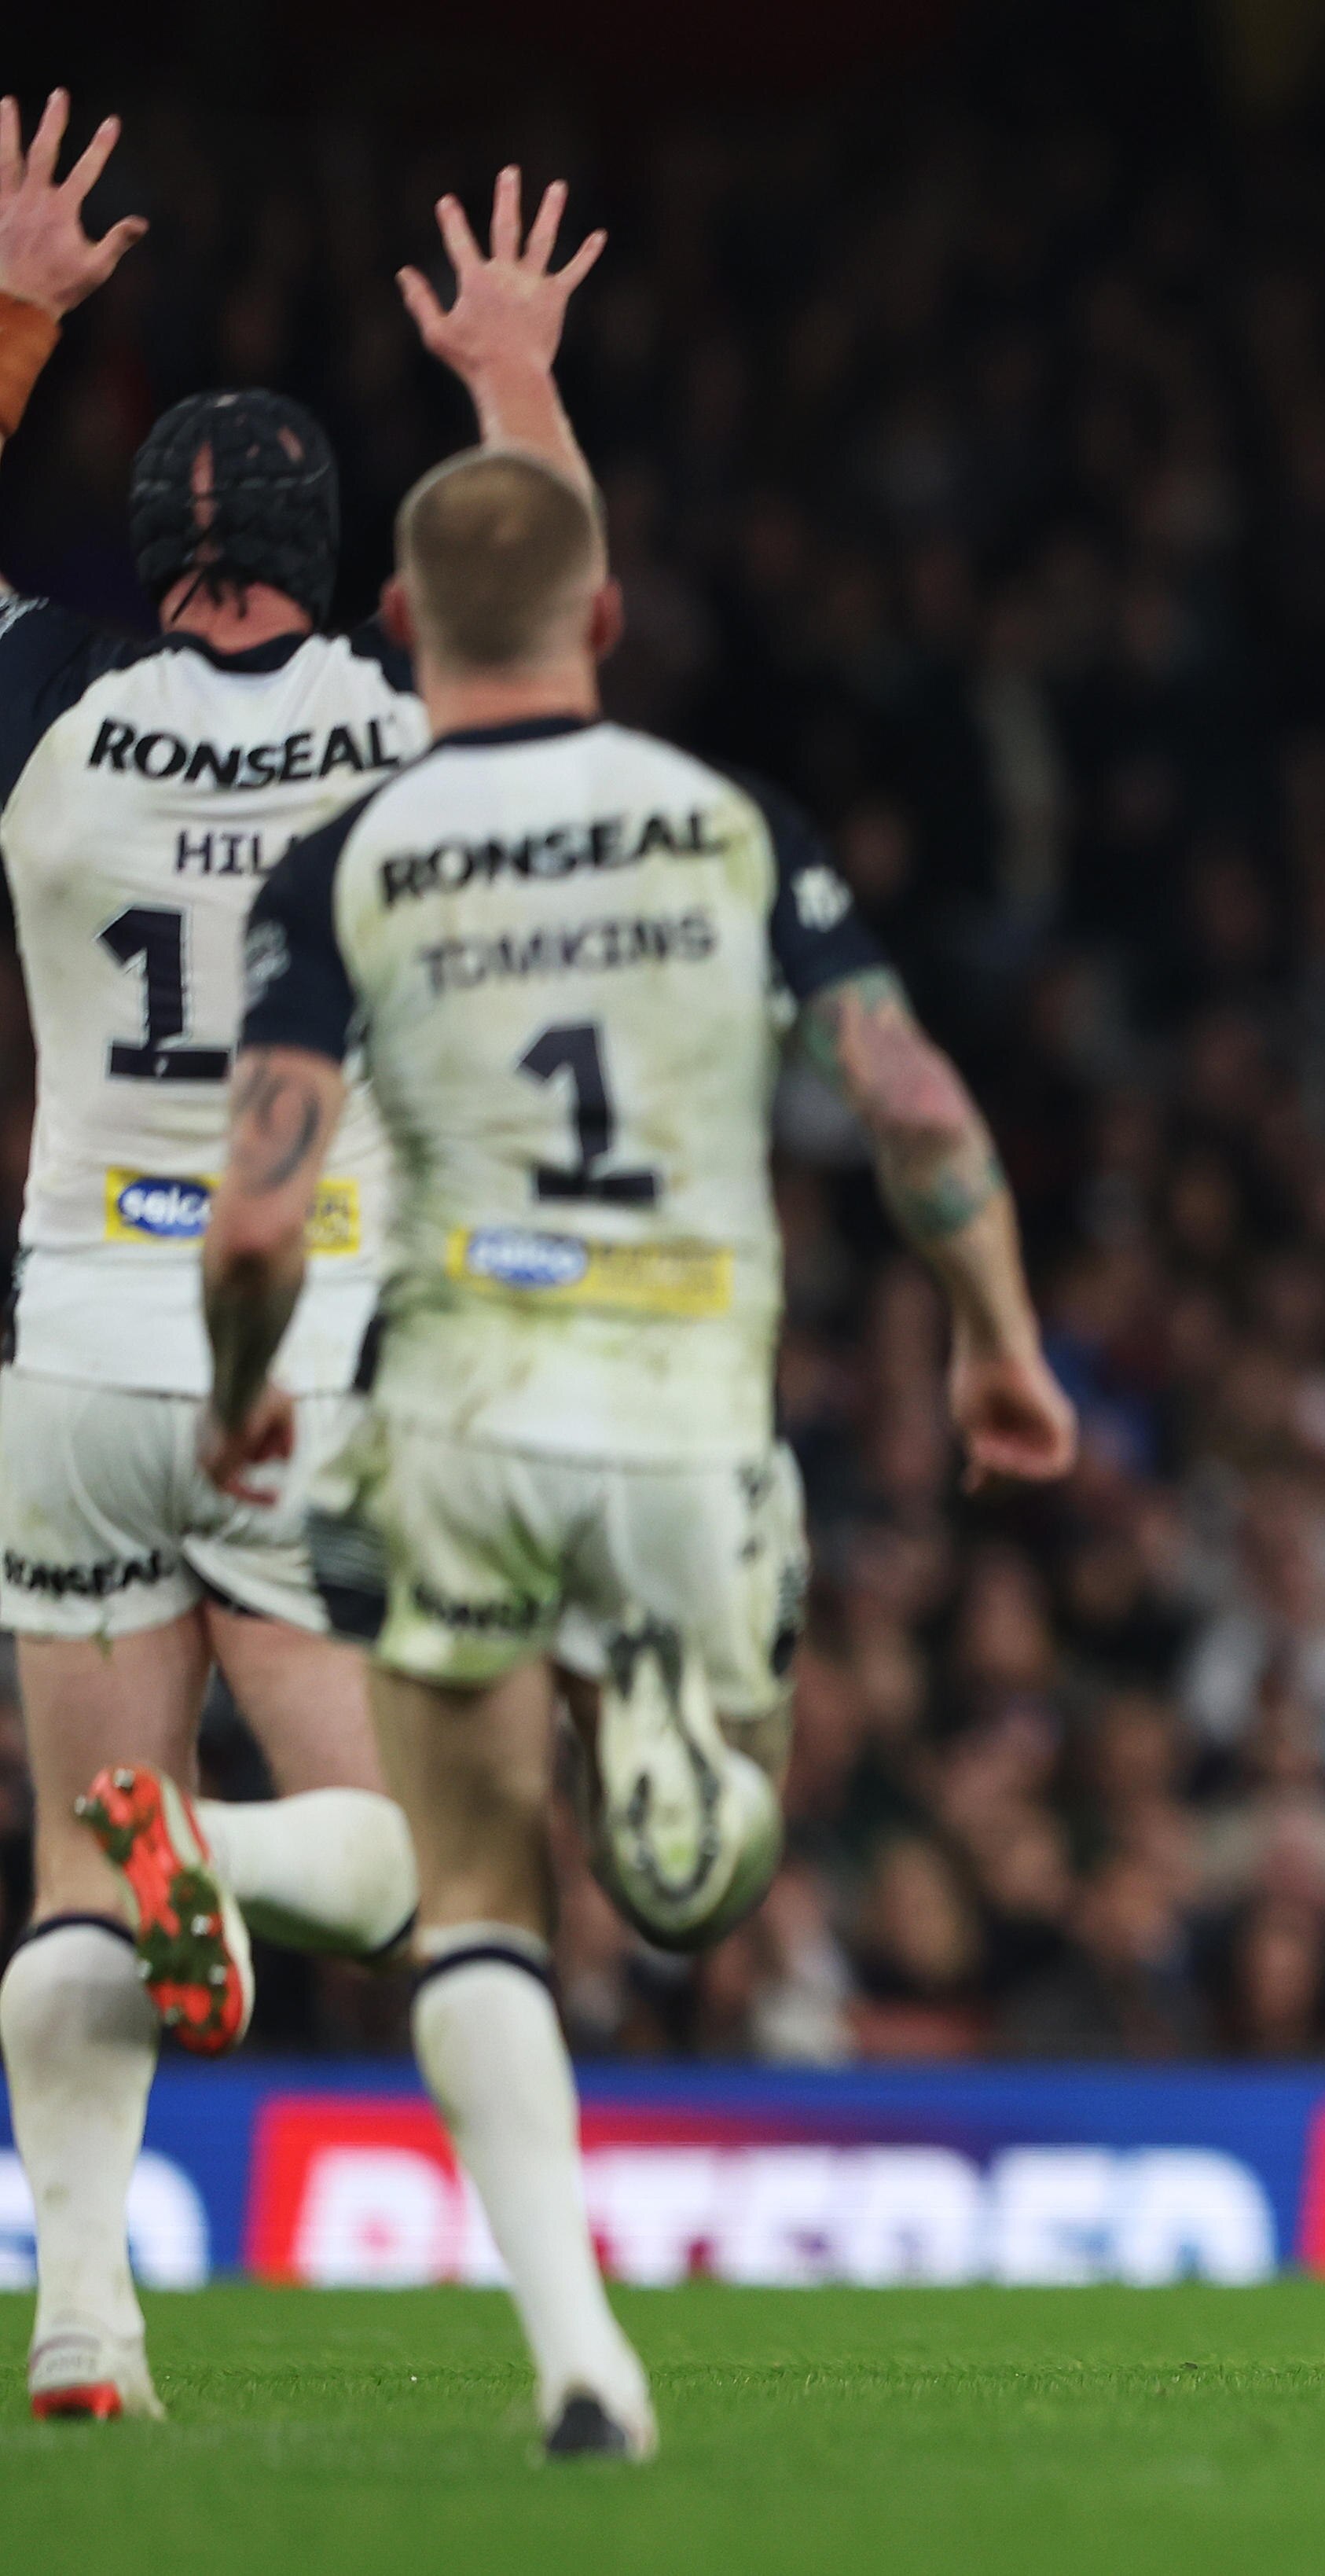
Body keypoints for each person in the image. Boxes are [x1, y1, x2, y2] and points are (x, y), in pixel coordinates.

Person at [202, 446, 1077, 2458]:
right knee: (692, 1892)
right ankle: (674, 1749)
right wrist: (996, 1342)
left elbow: (258, 1214)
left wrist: (250, 1372)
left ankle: (584, 2355)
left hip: (460, 1411)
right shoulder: (732, 826)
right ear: (603, 623)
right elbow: (920, 1106)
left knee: (480, 1894)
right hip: (689, 1413)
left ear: (400, 632)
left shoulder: (348, 848)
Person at [0, 96, 604, 2425]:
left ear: (145, 553)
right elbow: (554, 589)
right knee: (425, 1845)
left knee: (70, 1864)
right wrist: (511, 374)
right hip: (314, 1348)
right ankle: (220, 1852)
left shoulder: (44, 707)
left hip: (68, 1344)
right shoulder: (390, 717)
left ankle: (82, 2322)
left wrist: (28, 311)